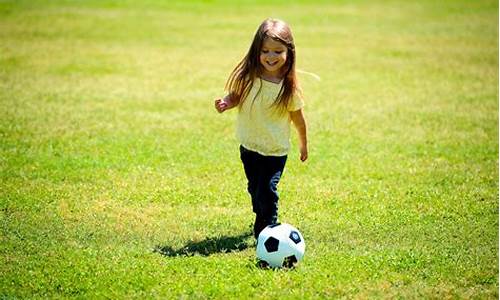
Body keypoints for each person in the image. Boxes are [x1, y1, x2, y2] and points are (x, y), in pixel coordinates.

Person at [214, 18, 308, 239]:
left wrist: (304, 144)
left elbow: (298, 118)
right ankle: (261, 214)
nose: (271, 56)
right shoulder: (249, 77)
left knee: (267, 191)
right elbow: (237, 95)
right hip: (249, 146)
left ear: (289, 52)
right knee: (255, 189)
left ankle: (267, 232)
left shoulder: (288, 88)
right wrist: (227, 103)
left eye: (278, 51)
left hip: (275, 151)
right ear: (257, 50)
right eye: (265, 50)